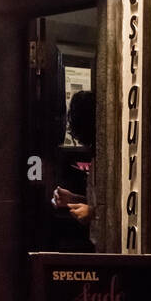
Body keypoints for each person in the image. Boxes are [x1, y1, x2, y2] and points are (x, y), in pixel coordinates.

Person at [51, 89, 97, 249]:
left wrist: (93, 214)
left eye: (73, 119)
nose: (70, 127)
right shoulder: (95, 154)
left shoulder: (105, 155)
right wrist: (74, 199)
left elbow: (113, 208)